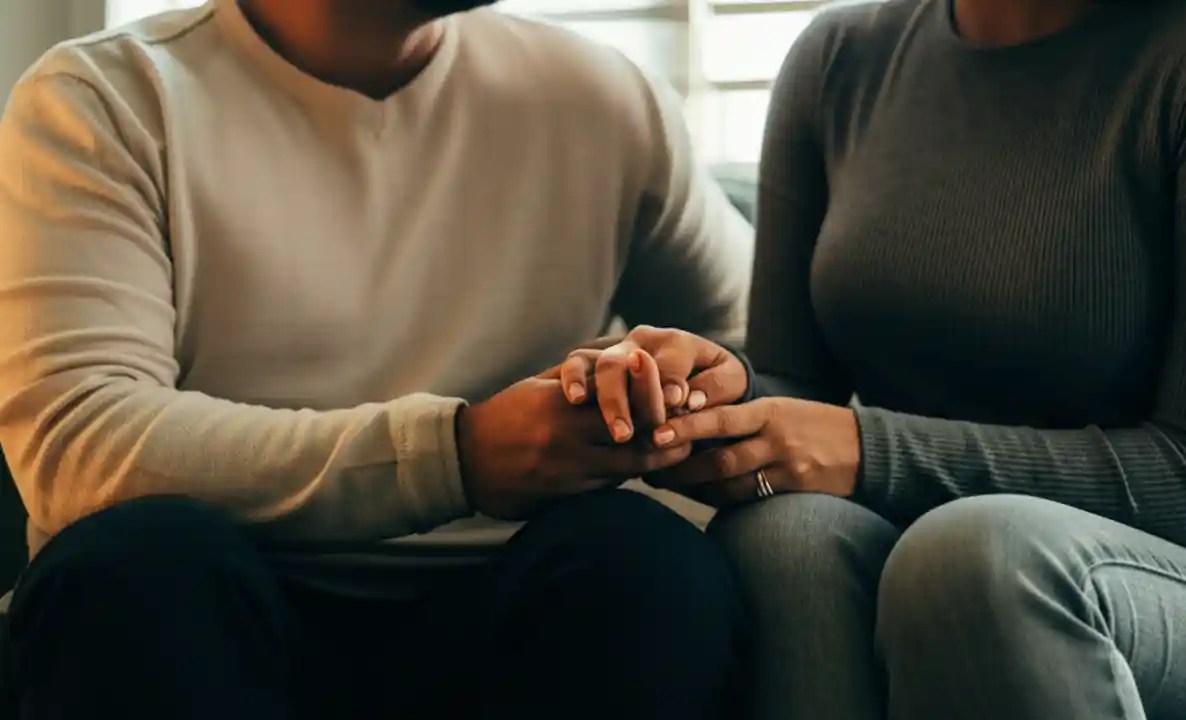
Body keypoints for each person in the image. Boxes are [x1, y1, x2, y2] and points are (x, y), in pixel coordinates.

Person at [0, 0, 756, 717]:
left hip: (508, 607)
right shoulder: (104, 100)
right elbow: (83, 444)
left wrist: (683, 380)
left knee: (646, 568)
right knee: (132, 570)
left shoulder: (601, 97)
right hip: (212, 608)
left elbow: (755, 351)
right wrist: (459, 455)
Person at [565, 0, 1186, 716]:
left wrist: (866, 449)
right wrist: (707, 392)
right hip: (948, 536)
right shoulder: (839, 57)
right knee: (787, 538)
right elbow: (796, 381)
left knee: (979, 558)